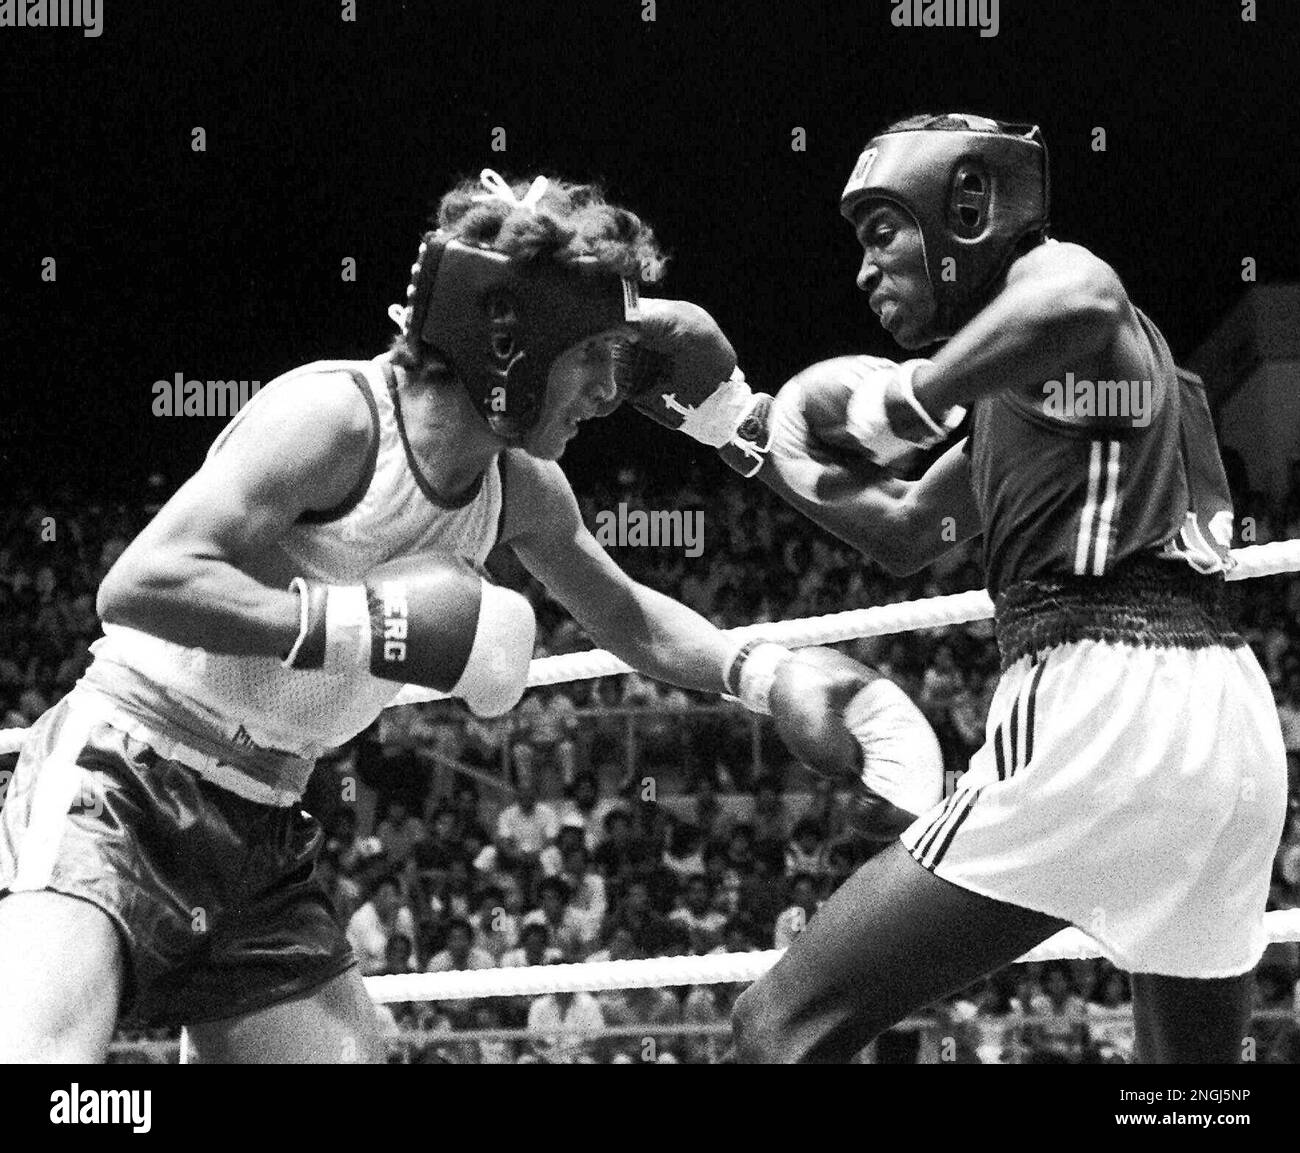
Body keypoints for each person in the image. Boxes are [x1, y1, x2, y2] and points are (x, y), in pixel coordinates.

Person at [0, 168, 843, 1063]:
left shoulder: (520, 486)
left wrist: (763, 671)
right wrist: (358, 625)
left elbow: (628, 615)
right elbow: (141, 584)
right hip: (123, 779)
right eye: (593, 352)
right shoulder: (332, 417)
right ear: (514, 344)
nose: (610, 389)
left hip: (264, 832)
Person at [625, 114, 1288, 1063]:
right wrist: (731, 419)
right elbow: (900, 531)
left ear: (970, 205)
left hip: (1103, 707)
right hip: (1229, 728)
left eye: (882, 232)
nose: (864, 269)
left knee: (777, 1024)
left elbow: (1083, 295)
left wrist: (903, 399)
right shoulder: (1035, 387)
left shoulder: (1064, 291)